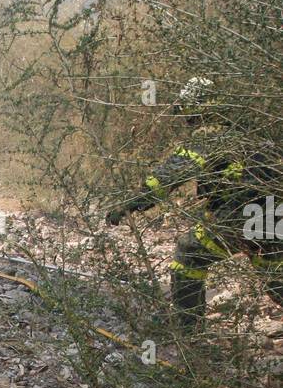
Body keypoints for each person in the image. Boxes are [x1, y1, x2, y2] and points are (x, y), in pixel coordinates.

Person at [106, 78, 283, 329]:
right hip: (274, 213)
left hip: (242, 213)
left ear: (194, 107)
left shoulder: (210, 135)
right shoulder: (246, 128)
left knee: (189, 254)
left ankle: (189, 332)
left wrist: (131, 204)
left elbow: (171, 174)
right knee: (275, 278)